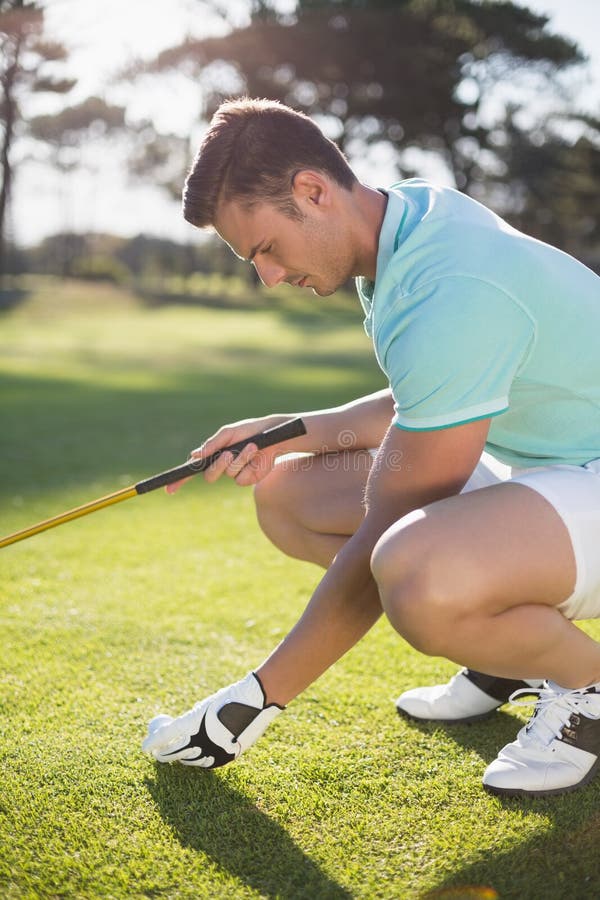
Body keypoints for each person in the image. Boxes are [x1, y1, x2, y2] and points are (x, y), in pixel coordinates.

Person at [142, 97, 600, 798]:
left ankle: (587, 688)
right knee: (288, 493)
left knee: (417, 572)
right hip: (547, 465)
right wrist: (287, 430)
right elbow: (432, 399)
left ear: (313, 191)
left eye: (264, 249)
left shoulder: (450, 282)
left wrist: (254, 699)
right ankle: (505, 652)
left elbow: (392, 516)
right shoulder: (403, 221)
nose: (266, 276)